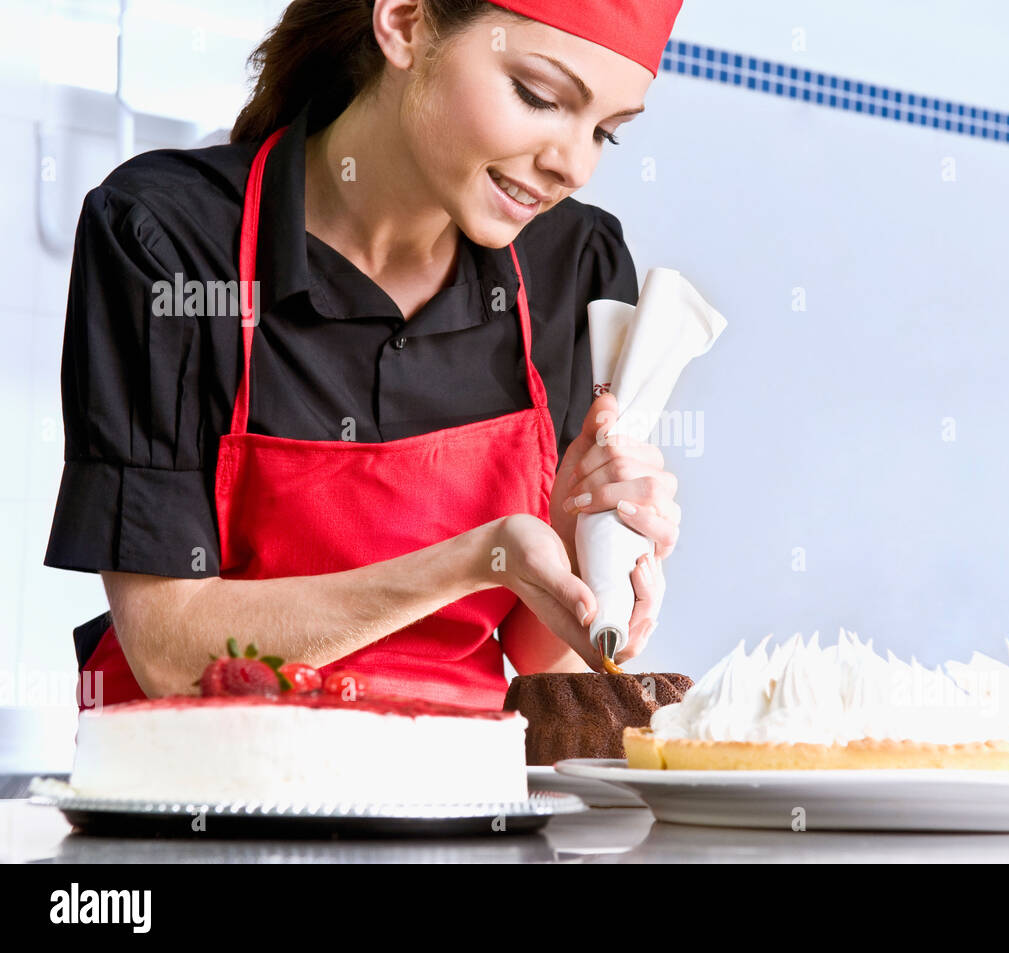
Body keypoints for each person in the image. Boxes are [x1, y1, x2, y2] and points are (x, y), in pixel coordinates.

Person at [44, 0, 686, 710]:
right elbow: (169, 649)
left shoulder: (576, 266)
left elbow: (537, 657)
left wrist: (583, 549)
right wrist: (475, 559)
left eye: (605, 133)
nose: (573, 165)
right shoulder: (168, 239)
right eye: (538, 96)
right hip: (205, 797)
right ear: (405, 22)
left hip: (458, 797)